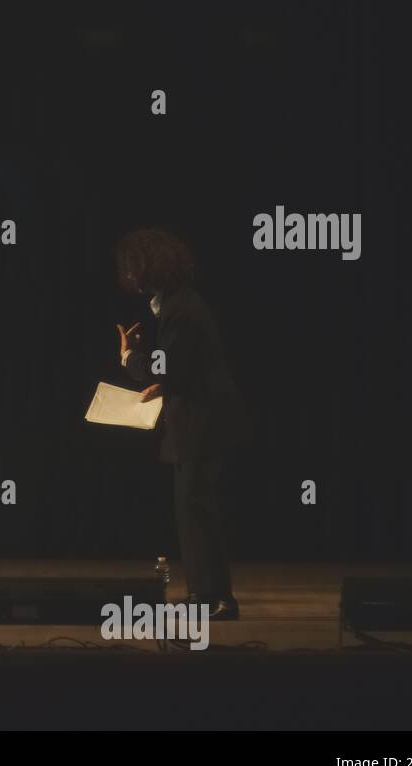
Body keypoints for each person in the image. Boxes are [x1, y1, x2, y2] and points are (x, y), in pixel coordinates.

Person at [115, 228, 250, 620]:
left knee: (197, 511)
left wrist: (129, 359)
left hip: (202, 427)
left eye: (131, 269)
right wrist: (163, 381)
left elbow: (168, 364)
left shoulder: (181, 309)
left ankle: (215, 599)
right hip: (198, 424)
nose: (128, 278)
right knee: (194, 510)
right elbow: (182, 367)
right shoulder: (179, 306)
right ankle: (206, 596)